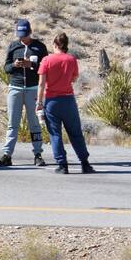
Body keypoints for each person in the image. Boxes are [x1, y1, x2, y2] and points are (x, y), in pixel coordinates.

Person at [37, 32, 94, 174]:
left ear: (55, 44)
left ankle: (62, 164)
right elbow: (74, 79)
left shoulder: (46, 60)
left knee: (55, 133)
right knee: (75, 132)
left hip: (51, 101)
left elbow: (41, 84)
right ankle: (85, 163)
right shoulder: (71, 59)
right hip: (68, 100)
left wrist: (39, 102)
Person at [0, 18, 48, 168]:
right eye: (20, 34)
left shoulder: (39, 47)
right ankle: (7, 155)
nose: (22, 37)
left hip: (32, 89)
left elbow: (45, 67)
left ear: (30, 32)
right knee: (12, 123)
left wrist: (31, 64)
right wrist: (15, 65)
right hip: (15, 87)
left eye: (24, 34)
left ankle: (38, 154)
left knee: (35, 123)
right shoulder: (13, 46)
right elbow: (6, 68)